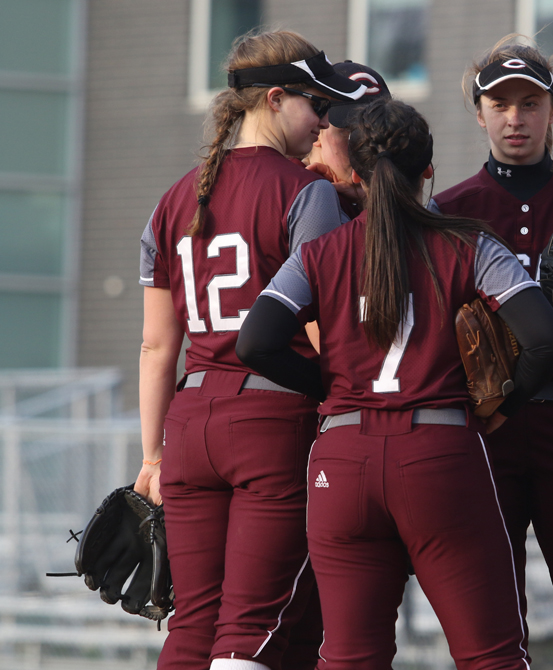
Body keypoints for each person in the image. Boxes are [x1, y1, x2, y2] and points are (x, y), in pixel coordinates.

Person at [235, 98, 553, 669]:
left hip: (342, 459)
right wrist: (504, 406)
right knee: (491, 656)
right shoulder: (470, 242)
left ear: (355, 174)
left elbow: (254, 343)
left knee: (347, 657)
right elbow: (547, 340)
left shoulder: (319, 253)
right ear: (428, 173)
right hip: (439, 454)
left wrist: (332, 386)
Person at [135, 30, 371, 670]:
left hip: (188, 424)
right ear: (273, 98)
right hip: (273, 418)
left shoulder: (173, 199)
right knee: (251, 629)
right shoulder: (306, 190)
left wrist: (152, 455)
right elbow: (327, 331)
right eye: (314, 105)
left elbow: (158, 346)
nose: (324, 121)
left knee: (192, 626)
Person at [427, 36, 553, 667]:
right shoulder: (448, 213)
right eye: (499, 103)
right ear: (478, 113)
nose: (515, 117)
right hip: (485, 432)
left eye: (529, 102)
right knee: (492, 627)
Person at [305, 60, 391, 217]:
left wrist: (371, 199)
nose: (367, 145)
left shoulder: (380, 196)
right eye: (351, 131)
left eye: (378, 131)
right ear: (317, 126)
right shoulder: (291, 194)